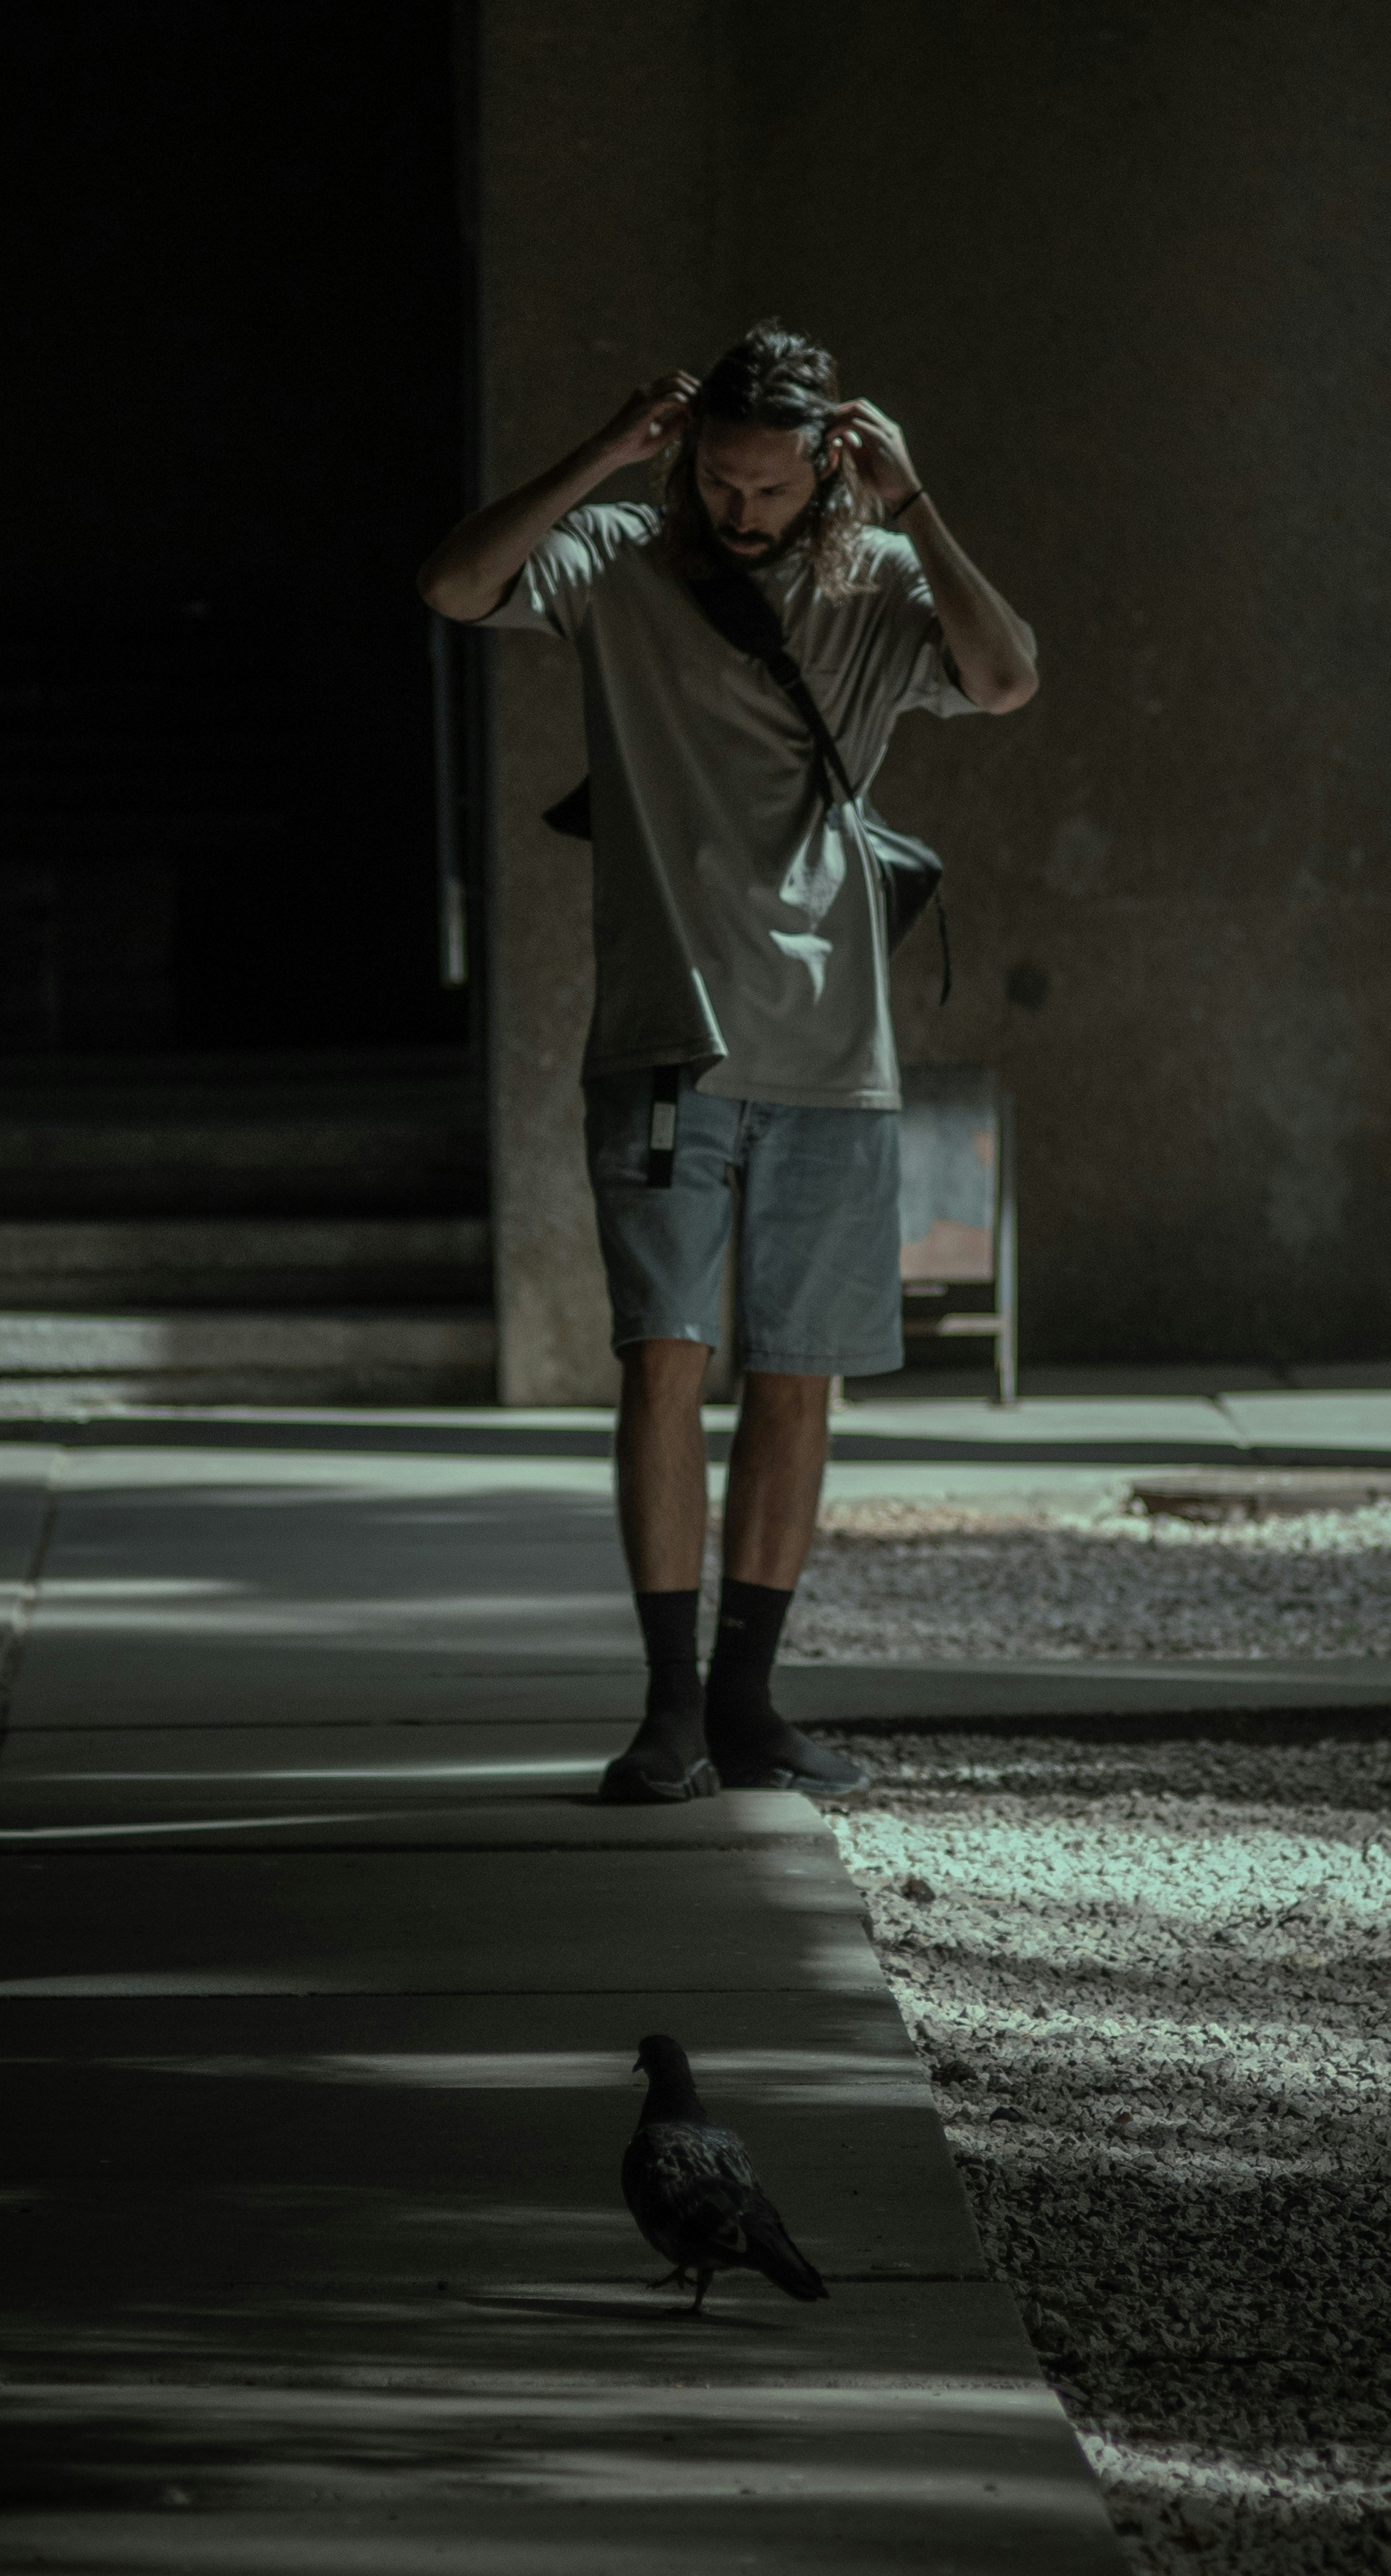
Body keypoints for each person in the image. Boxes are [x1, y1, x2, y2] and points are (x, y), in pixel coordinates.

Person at [417, 320, 1039, 1802]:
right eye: (717, 479)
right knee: (660, 1359)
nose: (737, 509)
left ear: (827, 466)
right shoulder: (622, 558)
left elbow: (1007, 676)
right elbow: (453, 582)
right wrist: (607, 452)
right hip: (664, 1033)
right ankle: (669, 1707)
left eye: (765, 486)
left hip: (835, 1042)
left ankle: (751, 1702)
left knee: (800, 1374)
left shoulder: (879, 580)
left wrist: (919, 505)